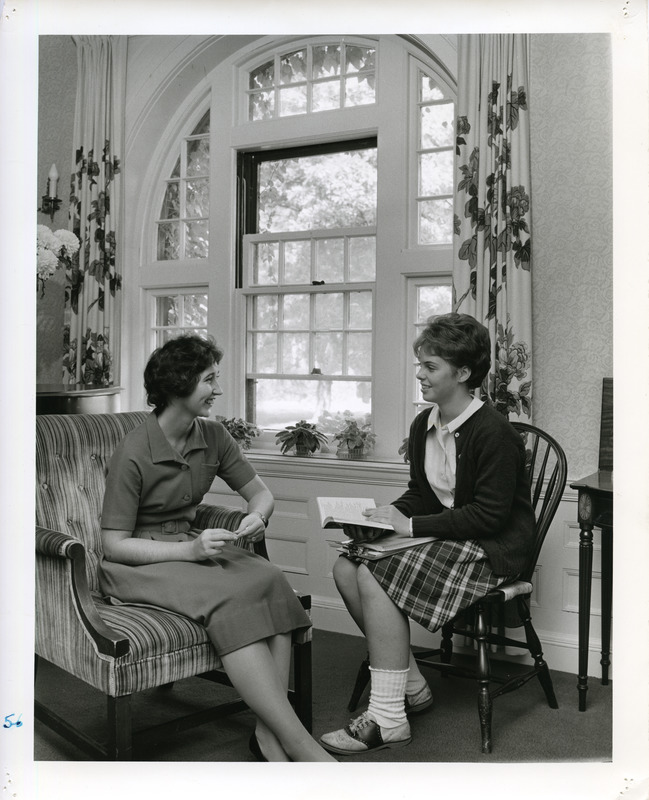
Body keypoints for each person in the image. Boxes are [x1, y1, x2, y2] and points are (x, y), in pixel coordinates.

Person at [98, 334, 336, 763]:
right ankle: (300, 744)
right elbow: (113, 545)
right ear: (177, 386)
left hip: (189, 547)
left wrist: (257, 517)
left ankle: (268, 733)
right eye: (209, 380)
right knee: (232, 597)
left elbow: (260, 494)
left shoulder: (213, 434)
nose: (218, 389)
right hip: (138, 562)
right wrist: (190, 553)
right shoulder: (133, 450)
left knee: (270, 577)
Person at [319, 312, 535, 756]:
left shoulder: (495, 434)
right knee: (346, 566)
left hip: (493, 549)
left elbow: (489, 517)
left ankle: (388, 717)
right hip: (452, 538)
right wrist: (385, 515)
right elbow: (421, 492)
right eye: (420, 364)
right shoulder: (425, 425)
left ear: (463, 373)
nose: (419, 374)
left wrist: (410, 526)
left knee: (373, 573)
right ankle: (412, 685)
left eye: (430, 366)